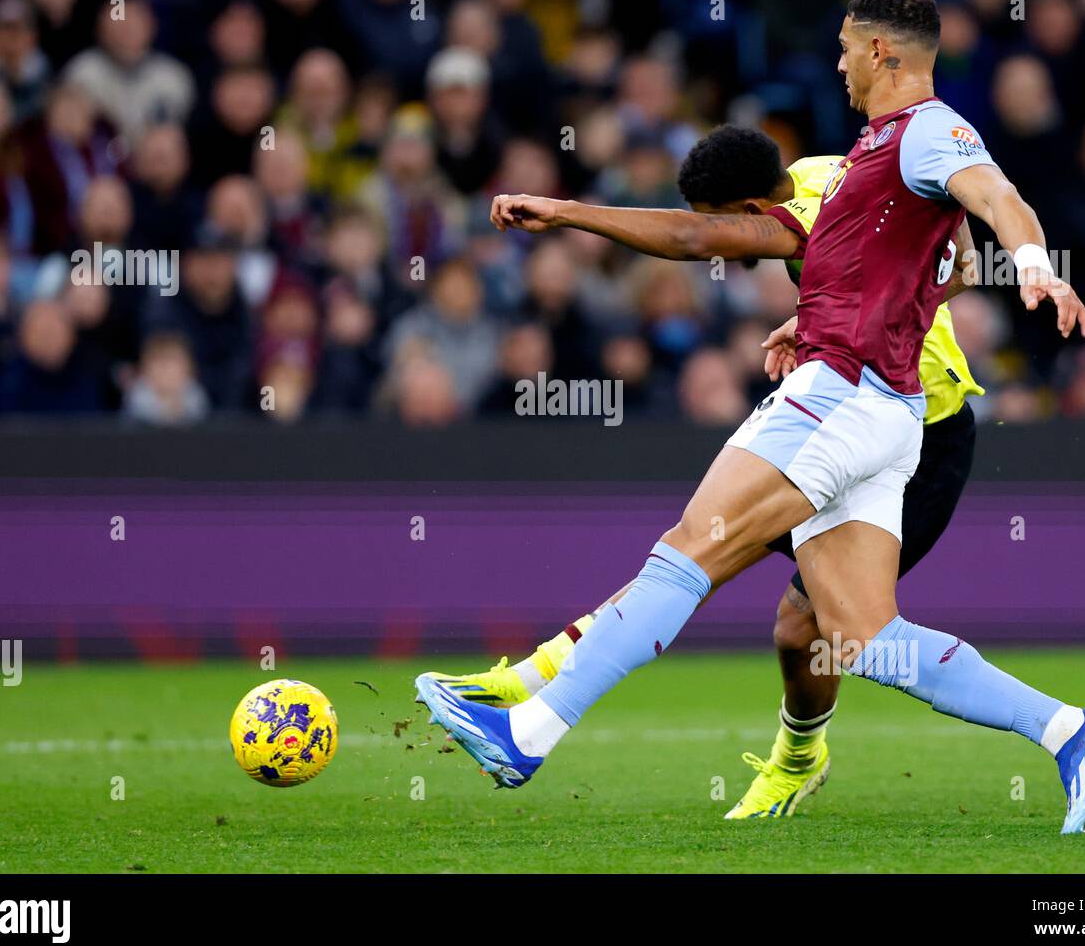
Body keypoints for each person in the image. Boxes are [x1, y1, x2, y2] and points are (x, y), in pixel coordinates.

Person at [416, 0, 1085, 836]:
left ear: (882, 55)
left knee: (689, 553)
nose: (836, 62)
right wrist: (828, 303)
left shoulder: (928, 131)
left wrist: (1036, 266)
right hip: (891, 410)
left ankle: (525, 729)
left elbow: (997, 198)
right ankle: (1071, 730)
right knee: (858, 636)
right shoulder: (879, 150)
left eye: (845, 47)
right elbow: (939, 261)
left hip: (843, 394)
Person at [421, 126, 984, 821]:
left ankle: (809, 755)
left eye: (724, 225)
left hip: (918, 444)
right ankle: (530, 686)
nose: (723, 248)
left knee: (797, 623)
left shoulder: (805, 211)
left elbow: (689, 239)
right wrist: (812, 325)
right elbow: (946, 256)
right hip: (848, 413)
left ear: (749, 211)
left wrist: (566, 212)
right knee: (700, 558)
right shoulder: (819, 169)